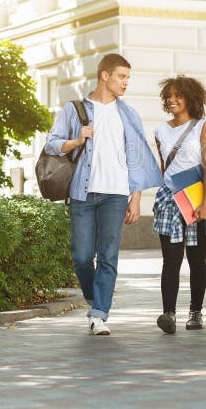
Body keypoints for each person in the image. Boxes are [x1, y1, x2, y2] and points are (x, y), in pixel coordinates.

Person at [45, 53, 162, 335]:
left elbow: (136, 158)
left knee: (108, 256)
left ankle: (98, 315)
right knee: (82, 257)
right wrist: (78, 139)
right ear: (105, 76)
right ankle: (94, 299)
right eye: (122, 77)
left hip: (116, 194)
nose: (126, 83)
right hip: (83, 193)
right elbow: (51, 144)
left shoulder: (129, 113)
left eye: (128, 78)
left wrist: (136, 197)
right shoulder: (74, 110)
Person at [152, 76, 206, 334]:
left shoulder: (203, 126)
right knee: (170, 258)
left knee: (196, 258)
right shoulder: (160, 130)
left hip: (195, 197)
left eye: (177, 95)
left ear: (191, 98)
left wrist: (205, 203)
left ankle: (195, 312)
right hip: (170, 198)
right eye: (168, 96)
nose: (171, 100)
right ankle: (168, 313)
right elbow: (164, 166)